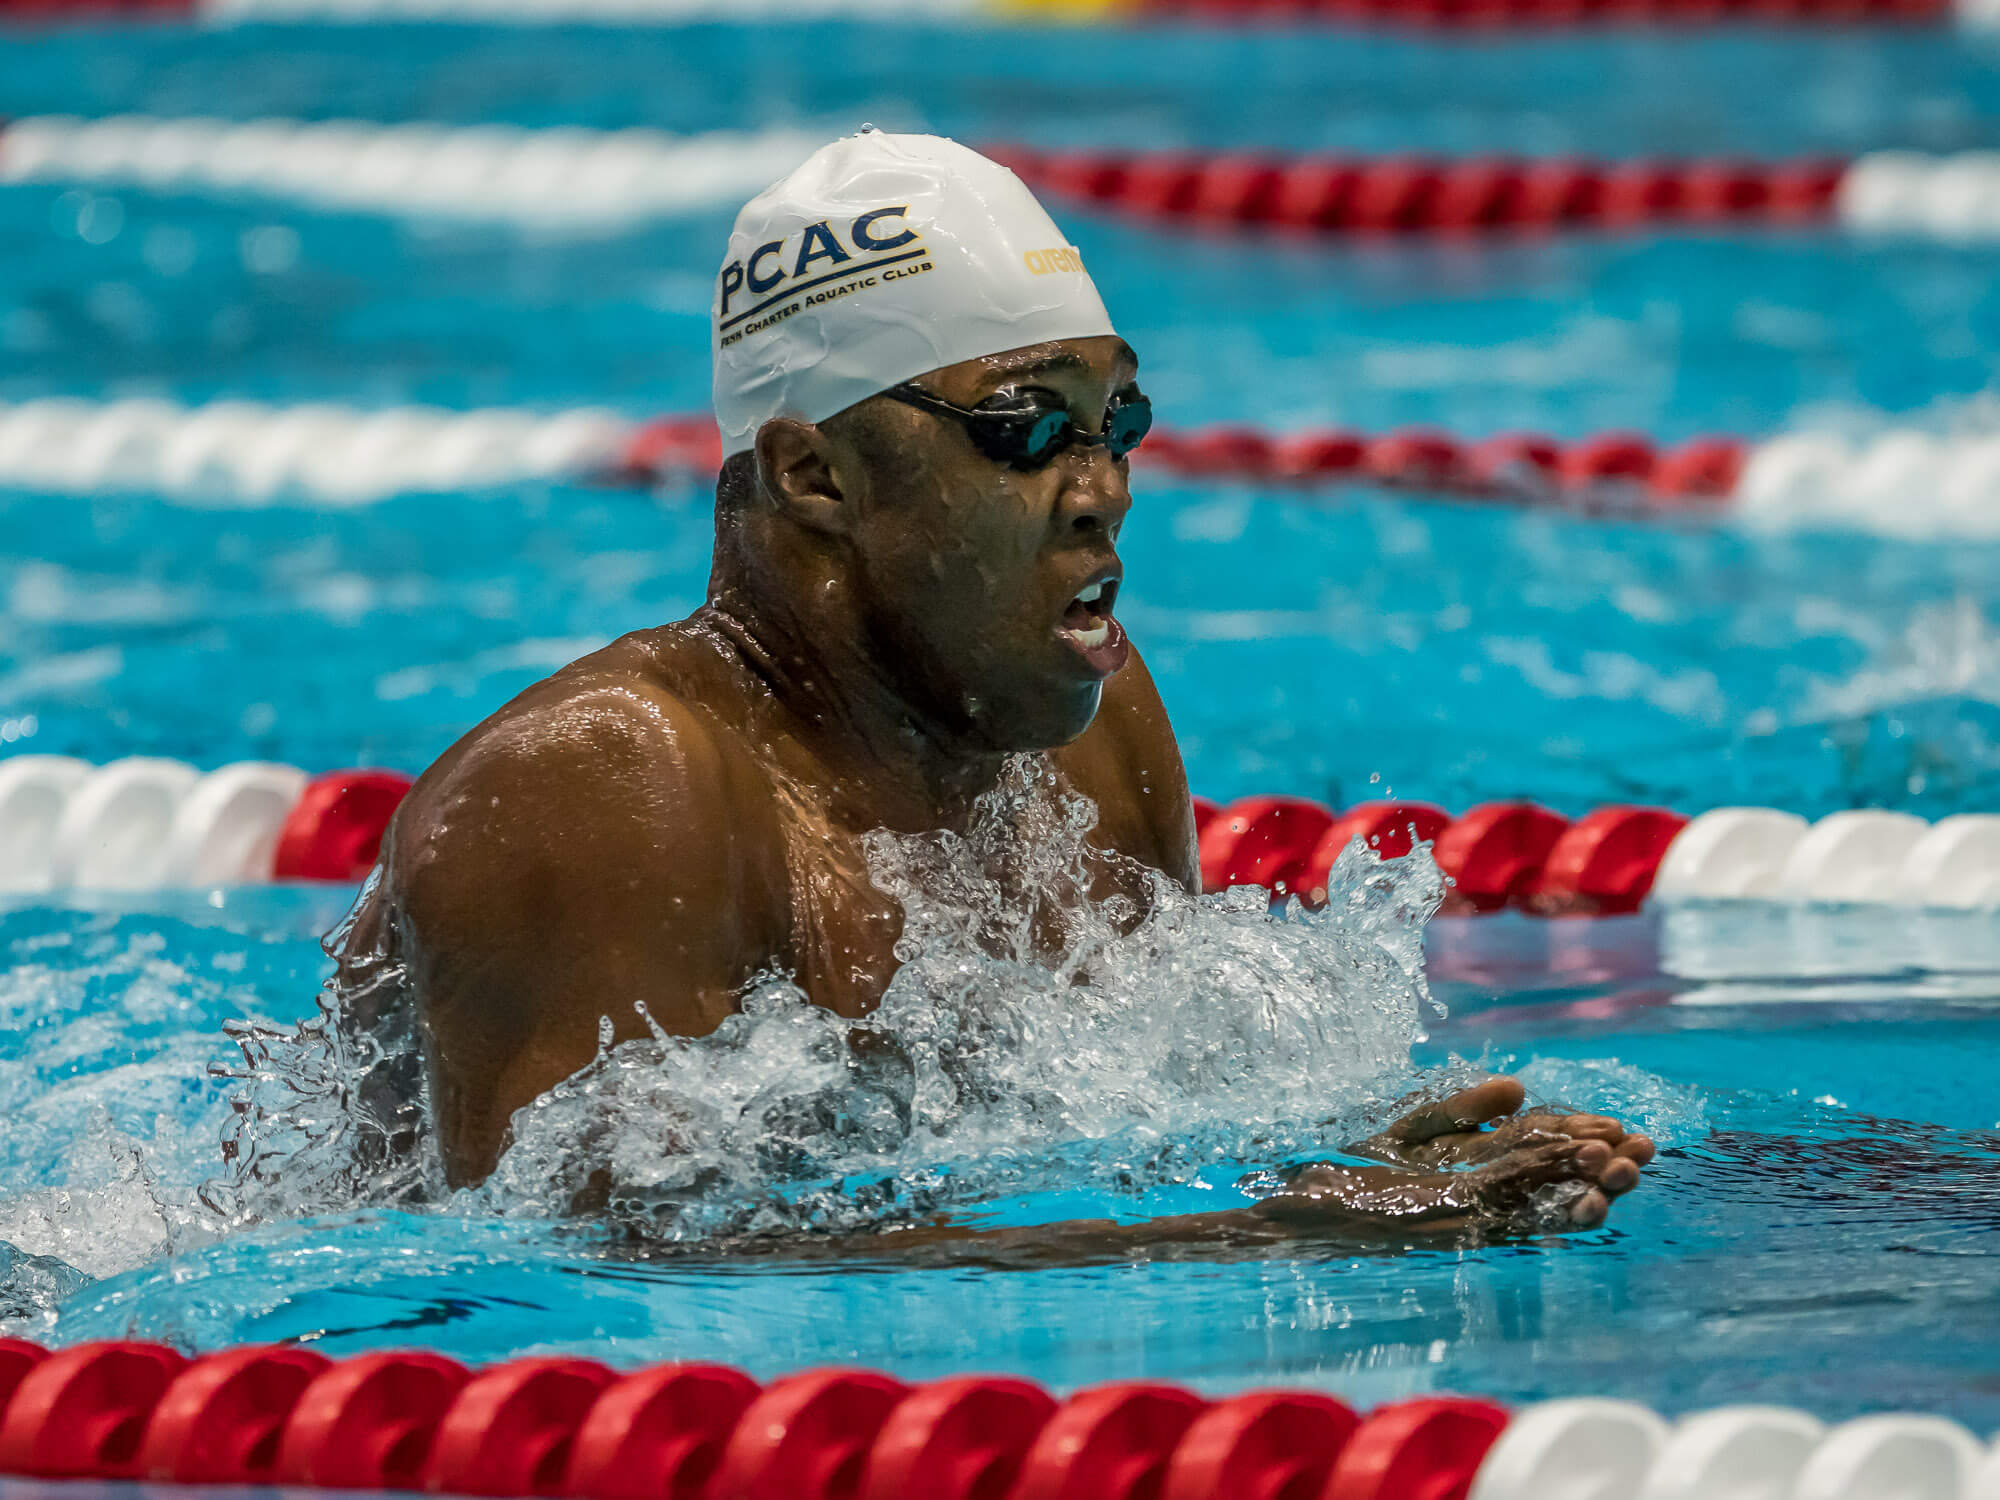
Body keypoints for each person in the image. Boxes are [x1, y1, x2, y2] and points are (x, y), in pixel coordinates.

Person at [335, 131, 1654, 1249]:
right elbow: (605, 1272)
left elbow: (1122, 1129)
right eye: (1025, 429)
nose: (1104, 489)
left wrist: (1336, 1159)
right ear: (814, 477)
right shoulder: (607, 790)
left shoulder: (1087, 731)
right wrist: (1274, 1226)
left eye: (1116, 424)